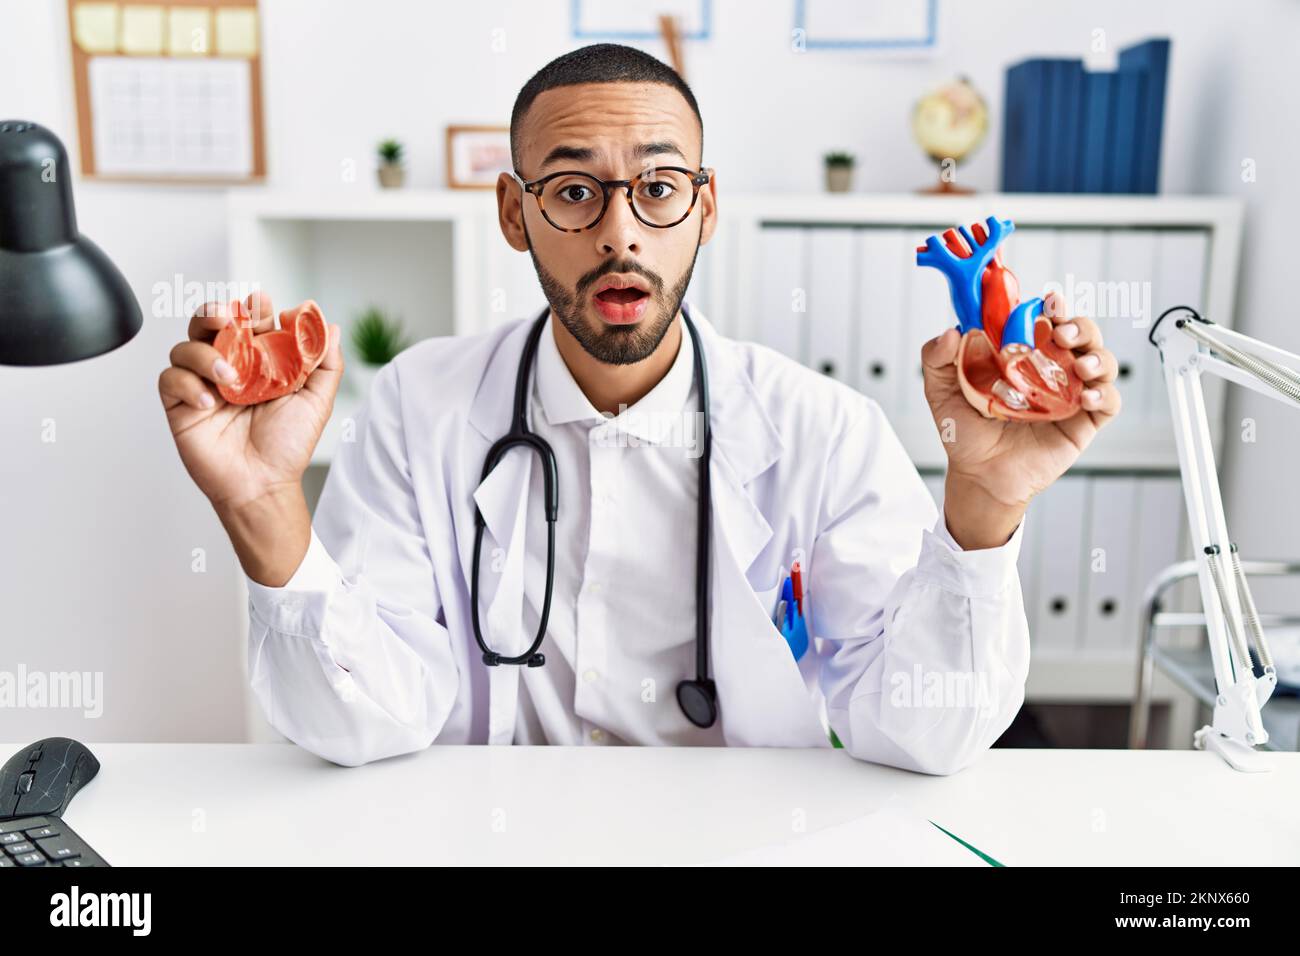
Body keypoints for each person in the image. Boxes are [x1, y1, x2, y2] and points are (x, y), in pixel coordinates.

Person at [157, 44, 1120, 771]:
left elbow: (922, 731)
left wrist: (986, 509)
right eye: (573, 190)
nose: (620, 233)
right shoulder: (422, 405)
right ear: (512, 213)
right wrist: (260, 506)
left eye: (658, 188)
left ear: (704, 210)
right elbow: (366, 723)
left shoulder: (823, 429)